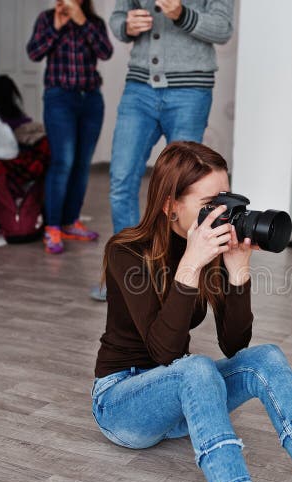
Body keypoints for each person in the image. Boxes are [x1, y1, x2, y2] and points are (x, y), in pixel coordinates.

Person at [92, 142, 292, 482]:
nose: (222, 215)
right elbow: (164, 353)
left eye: (225, 201)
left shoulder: (209, 249)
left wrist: (237, 271)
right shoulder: (125, 252)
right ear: (169, 205)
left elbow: (234, 345)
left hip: (184, 400)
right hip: (122, 402)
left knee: (266, 357)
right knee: (195, 367)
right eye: (210, 203)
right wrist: (191, 263)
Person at [90, 0, 232, 299]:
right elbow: (117, 19)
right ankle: (128, 276)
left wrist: (181, 14)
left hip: (191, 90)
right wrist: (126, 26)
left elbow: (222, 29)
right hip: (139, 87)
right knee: (121, 180)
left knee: (185, 188)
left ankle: (178, 274)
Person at [27, 0, 113, 254]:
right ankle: (52, 226)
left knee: (82, 163)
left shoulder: (93, 22)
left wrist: (82, 23)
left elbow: (105, 52)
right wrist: (56, 27)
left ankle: (70, 221)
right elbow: (34, 53)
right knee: (62, 161)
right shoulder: (46, 19)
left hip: (91, 100)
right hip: (59, 99)